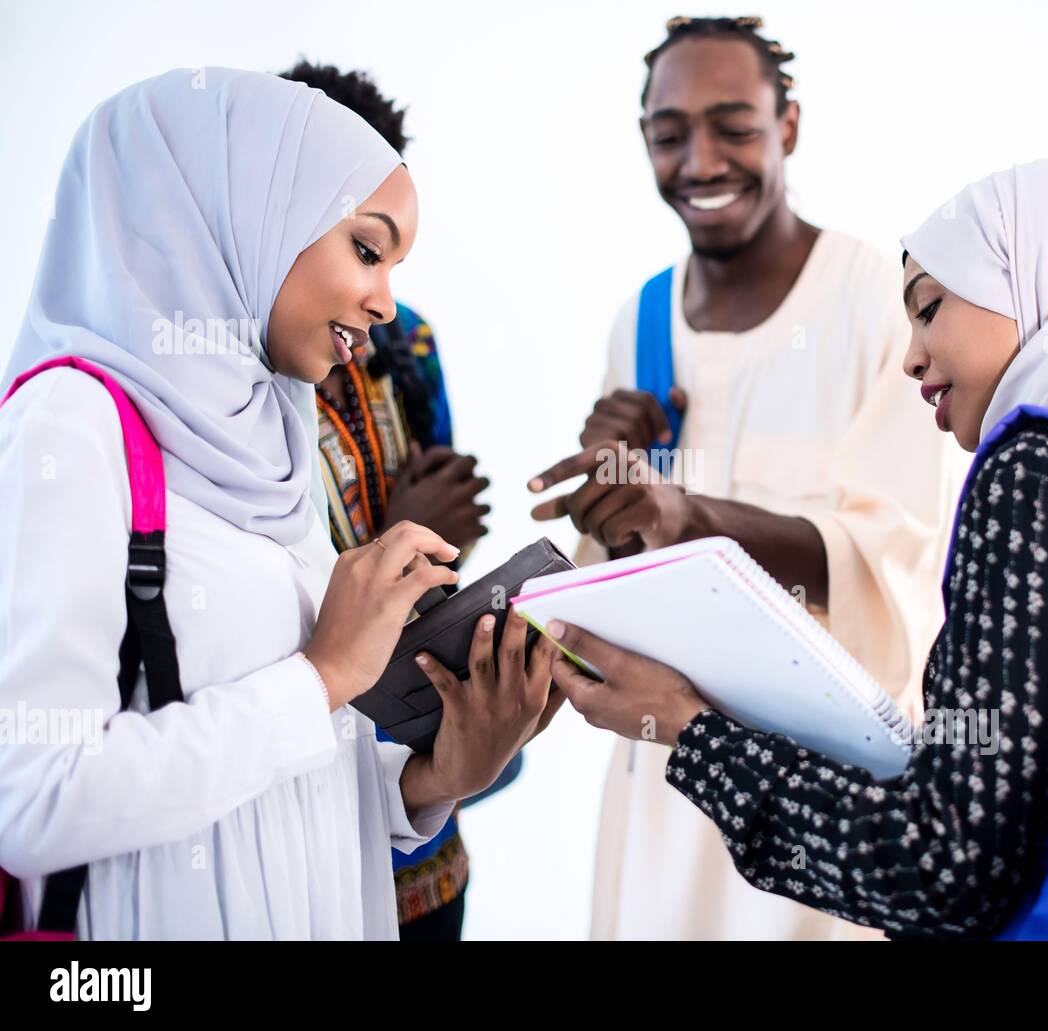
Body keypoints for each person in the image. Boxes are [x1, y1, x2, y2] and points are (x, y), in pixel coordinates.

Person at [542, 149, 1048, 937]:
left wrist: (687, 728)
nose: (909, 356)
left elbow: (941, 867)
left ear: (1039, 278)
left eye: (929, 306)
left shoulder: (1038, 466)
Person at [0, 67, 562, 939]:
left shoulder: (272, 429)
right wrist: (323, 675)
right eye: (368, 250)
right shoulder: (70, 424)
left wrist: (442, 773)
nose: (385, 301)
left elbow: (301, 767)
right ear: (250, 211)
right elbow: (33, 799)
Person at [527, 16, 961, 940]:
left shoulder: (878, 300)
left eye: (735, 125)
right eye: (669, 133)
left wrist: (692, 518)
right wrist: (612, 490)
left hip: (816, 792)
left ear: (789, 125)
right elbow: (612, 584)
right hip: (662, 782)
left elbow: (892, 567)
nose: (701, 161)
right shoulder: (640, 319)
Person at [279, 59, 494, 942]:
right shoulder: (244, 367)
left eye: (388, 249)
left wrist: (432, 546)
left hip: (427, 845)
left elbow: (444, 551)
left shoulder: (410, 345)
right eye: (361, 246)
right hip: (306, 825)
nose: (378, 290)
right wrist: (404, 531)